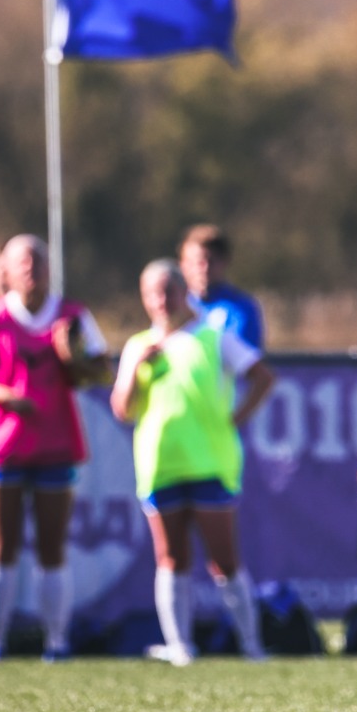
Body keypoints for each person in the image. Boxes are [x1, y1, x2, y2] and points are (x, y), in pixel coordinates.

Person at [111, 259, 277, 664]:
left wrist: (237, 417)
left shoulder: (212, 337)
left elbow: (262, 376)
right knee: (170, 558)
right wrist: (135, 369)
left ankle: (250, 645)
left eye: (168, 290)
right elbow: (122, 409)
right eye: (152, 293)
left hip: (210, 464)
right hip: (160, 464)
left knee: (224, 558)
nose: (161, 300)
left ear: (183, 291)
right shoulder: (138, 346)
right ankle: (180, 646)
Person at [0, 234, 111, 662]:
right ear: (5, 270)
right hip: (2, 445)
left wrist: (70, 356)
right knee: (0, 545)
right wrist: (6, 396)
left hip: (56, 443)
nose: (32, 269)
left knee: (52, 548)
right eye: (22, 262)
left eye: (38, 261)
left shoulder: (73, 317)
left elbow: (98, 373)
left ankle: (57, 642)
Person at [181, 225, 265, 353]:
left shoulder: (242, 309)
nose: (204, 269)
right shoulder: (172, 306)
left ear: (224, 261)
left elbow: (246, 361)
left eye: (210, 261)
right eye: (198, 262)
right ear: (183, 264)